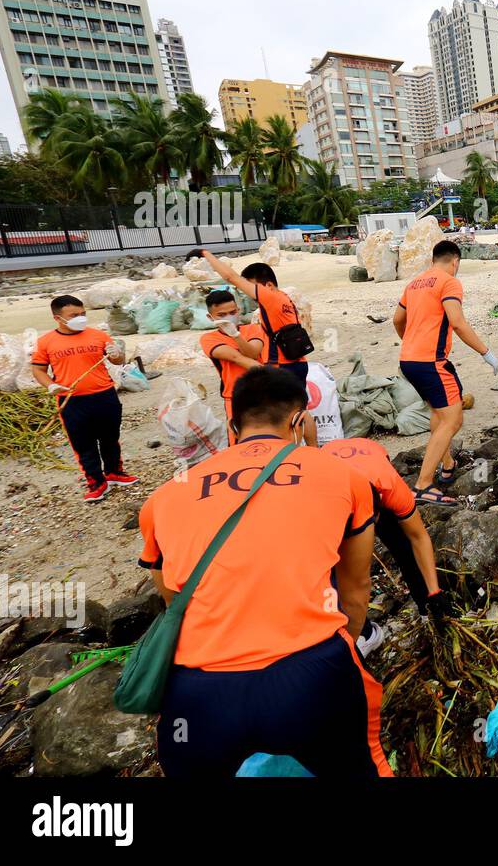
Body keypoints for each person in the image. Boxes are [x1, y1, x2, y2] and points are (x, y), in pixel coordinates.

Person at [138, 366, 392, 777]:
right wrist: (338, 647)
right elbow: (356, 588)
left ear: (233, 424)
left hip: (199, 691)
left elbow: (172, 602)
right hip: (309, 675)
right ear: (298, 418)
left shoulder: (166, 496)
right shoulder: (342, 476)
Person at [394, 240, 498, 506]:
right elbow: (457, 322)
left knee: (438, 413)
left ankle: (448, 464)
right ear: (455, 261)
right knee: (453, 420)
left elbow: (397, 319)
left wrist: (410, 342)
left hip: (408, 360)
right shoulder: (449, 281)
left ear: (433, 258)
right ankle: (423, 485)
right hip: (431, 362)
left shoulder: (415, 283)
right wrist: (485, 352)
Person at [322, 437, 451, 633]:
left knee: (403, 547)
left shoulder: (392, 489)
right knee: (332, 564)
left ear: (380, 509)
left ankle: (425, 608)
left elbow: (419, 537)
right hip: (333, 480)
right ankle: (354, 629)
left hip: (370, 455)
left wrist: (434, 592)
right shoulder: (322, 500)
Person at [30, 295, 134, 503]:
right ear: (58, 318)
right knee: (83, 444)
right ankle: (96, 482)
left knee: (110, 438)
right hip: (73, 400)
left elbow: (118, 360)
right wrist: (50, 385)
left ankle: (115, 472)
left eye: (83, 314)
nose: (81, 318)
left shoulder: (98, 335)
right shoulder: (46, 342)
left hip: (105, 396)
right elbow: (38, 370)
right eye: (74, 315)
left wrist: (117, 354)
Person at [199, 252, 309, 383]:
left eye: (251, 286)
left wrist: (205, 253)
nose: (248, 291)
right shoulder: (284, 299)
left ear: (268, 285)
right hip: (298, 361)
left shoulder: (270, 298)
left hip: (281, 365)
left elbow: (230, 277)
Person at [199, 290, 267, 444]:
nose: (228, 318)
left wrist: (235, 335)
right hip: (235, 396)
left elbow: (253, 353)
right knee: (240, 438)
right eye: (221, 315)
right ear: (210, 317)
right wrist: (266, 372)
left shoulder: (253, 329)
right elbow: (236, 358)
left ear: (239, 310)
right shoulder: (209, 339)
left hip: (263, 391)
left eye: (232, 312)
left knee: (268, 435)